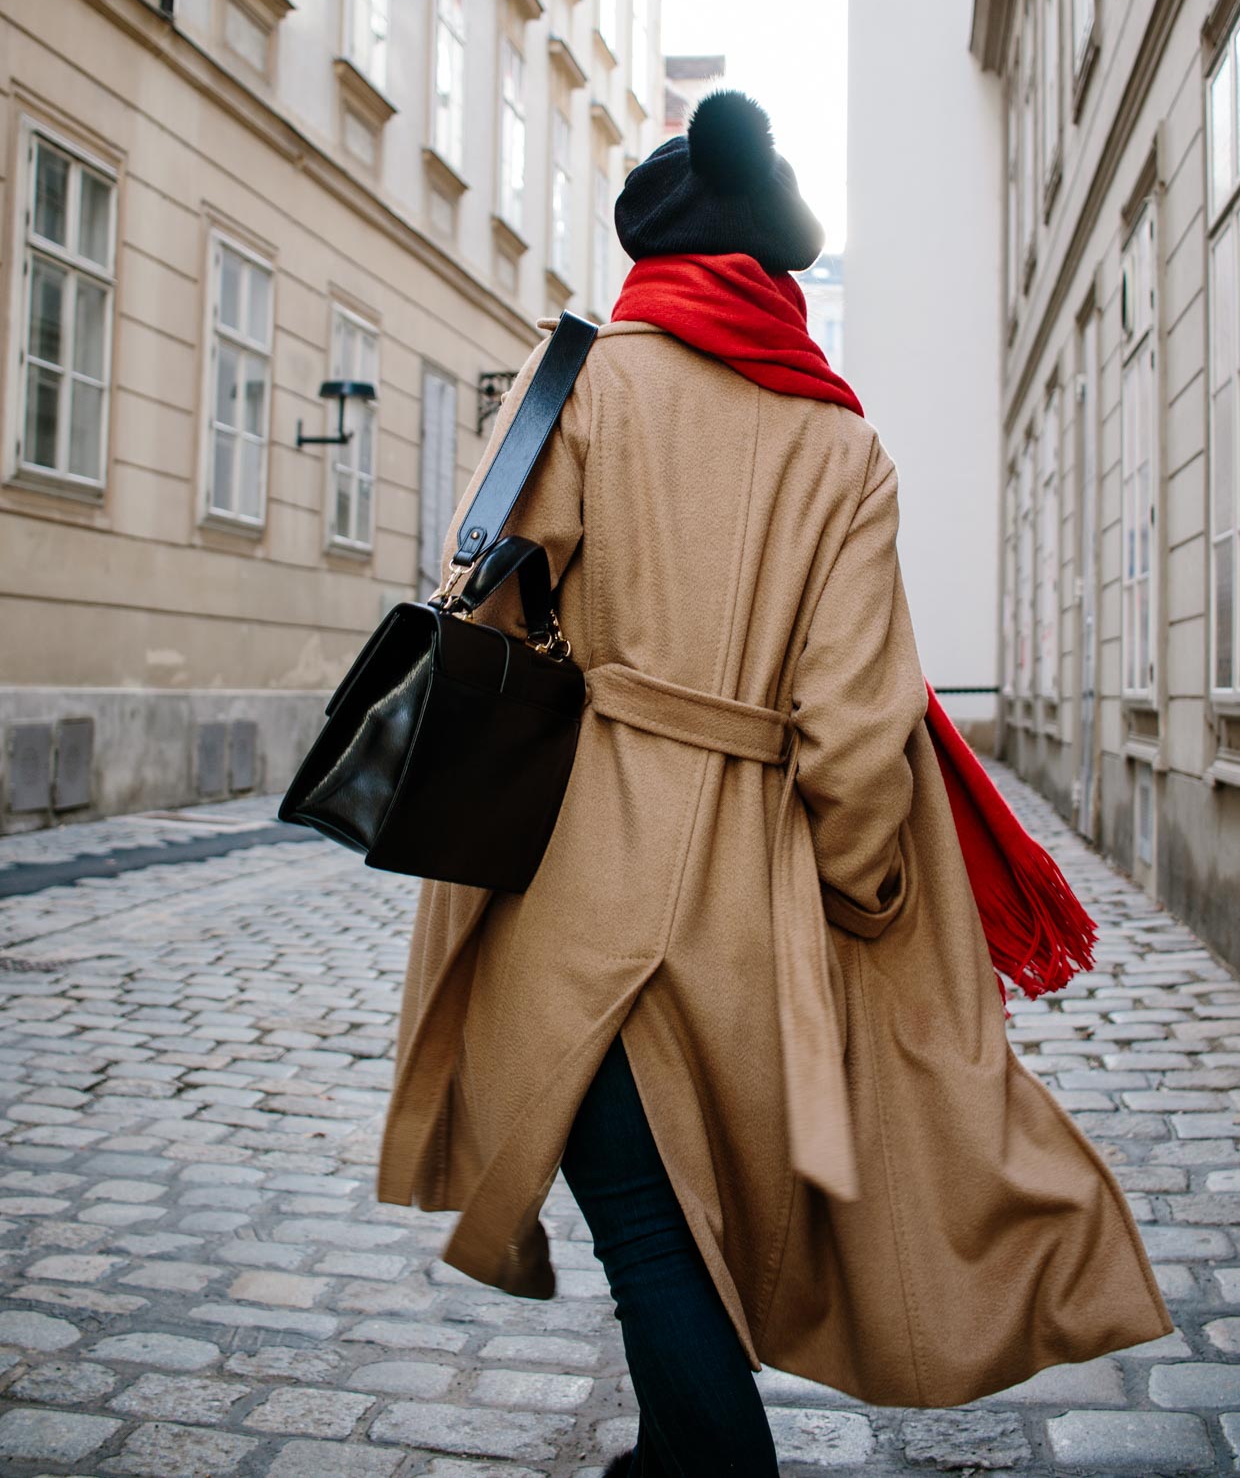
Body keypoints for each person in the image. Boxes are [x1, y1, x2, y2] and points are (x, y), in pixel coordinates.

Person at [377, 92, 1172, 1476]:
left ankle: (708, 1462)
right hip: (743, 917)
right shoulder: (841, 447)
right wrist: (866, 898)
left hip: (567, 878)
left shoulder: (574, 382)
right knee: (688, 1211)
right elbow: (859, 730)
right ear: (772, 276)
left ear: (657, 261)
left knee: (638, 1212)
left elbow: (475, 605)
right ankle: (678, 1454)